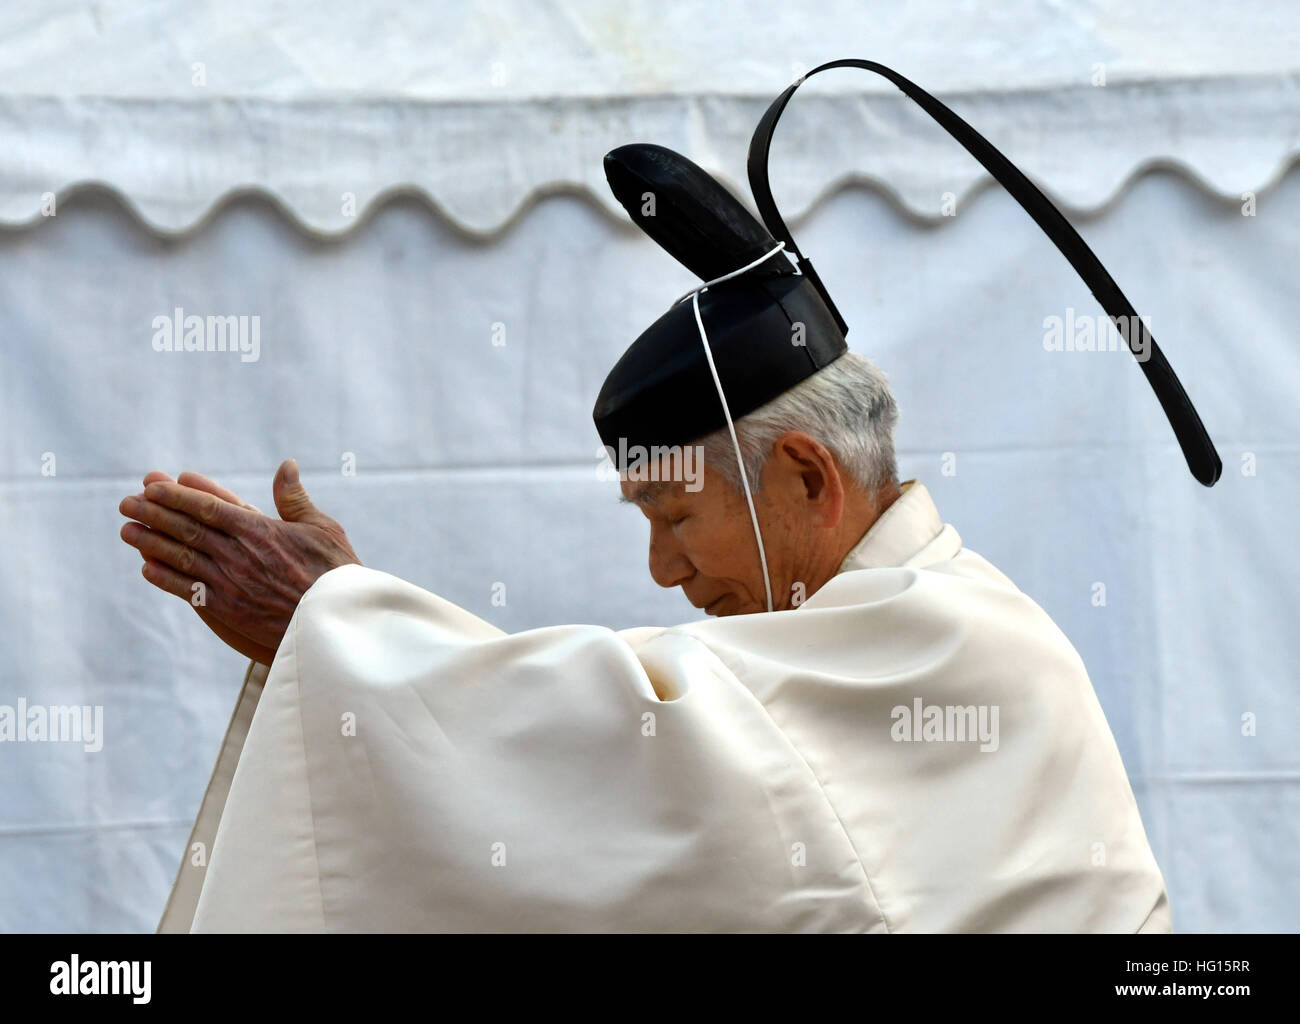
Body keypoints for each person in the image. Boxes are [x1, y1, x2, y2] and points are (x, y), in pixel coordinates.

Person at [119, 63, 1206, 931]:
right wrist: (347, 629)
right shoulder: (889, 631)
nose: (663, 573)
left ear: (805, 478)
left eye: (674, 515)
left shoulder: (948, 643)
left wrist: (342, 630)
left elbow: (628, 758)